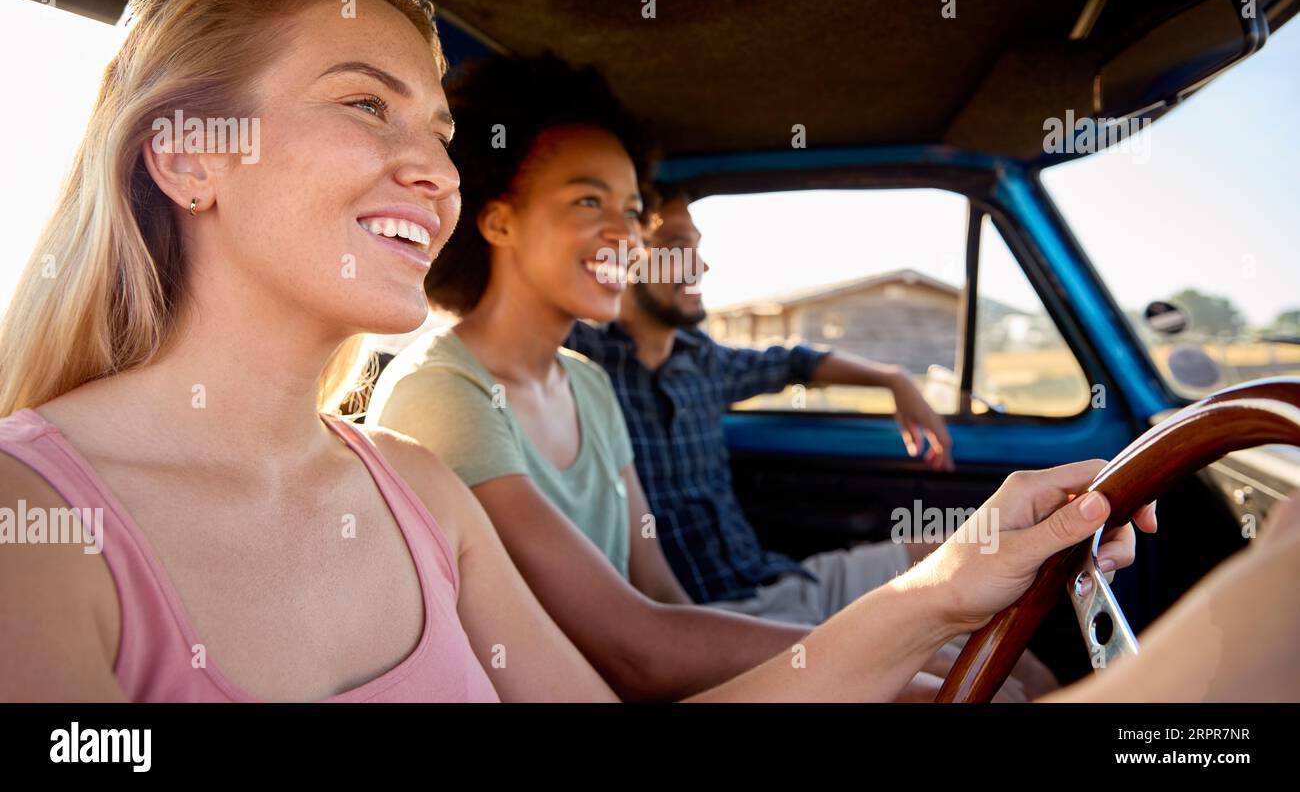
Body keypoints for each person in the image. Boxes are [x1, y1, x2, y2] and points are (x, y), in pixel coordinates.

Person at [364, 53, 1144, 700]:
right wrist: (877, 650)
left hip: (660, 660)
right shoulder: (446, 392)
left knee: (997, 669)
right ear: (497, 220)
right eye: (587, 199)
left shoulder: (586, 385)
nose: (627, 233)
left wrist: (882, 642)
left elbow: (666, 600)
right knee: (976, 681)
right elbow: (634, 648)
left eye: (634, 209)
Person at [567, 190, 959, 623]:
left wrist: (893, 379)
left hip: (777, 581)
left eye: (697, 248)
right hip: (720, 618)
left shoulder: (705, 362)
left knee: (973, 553)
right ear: (627, 254)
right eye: (679, 247)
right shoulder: (578, 364)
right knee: (961, 673)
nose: (701, 266)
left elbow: (795, 361)